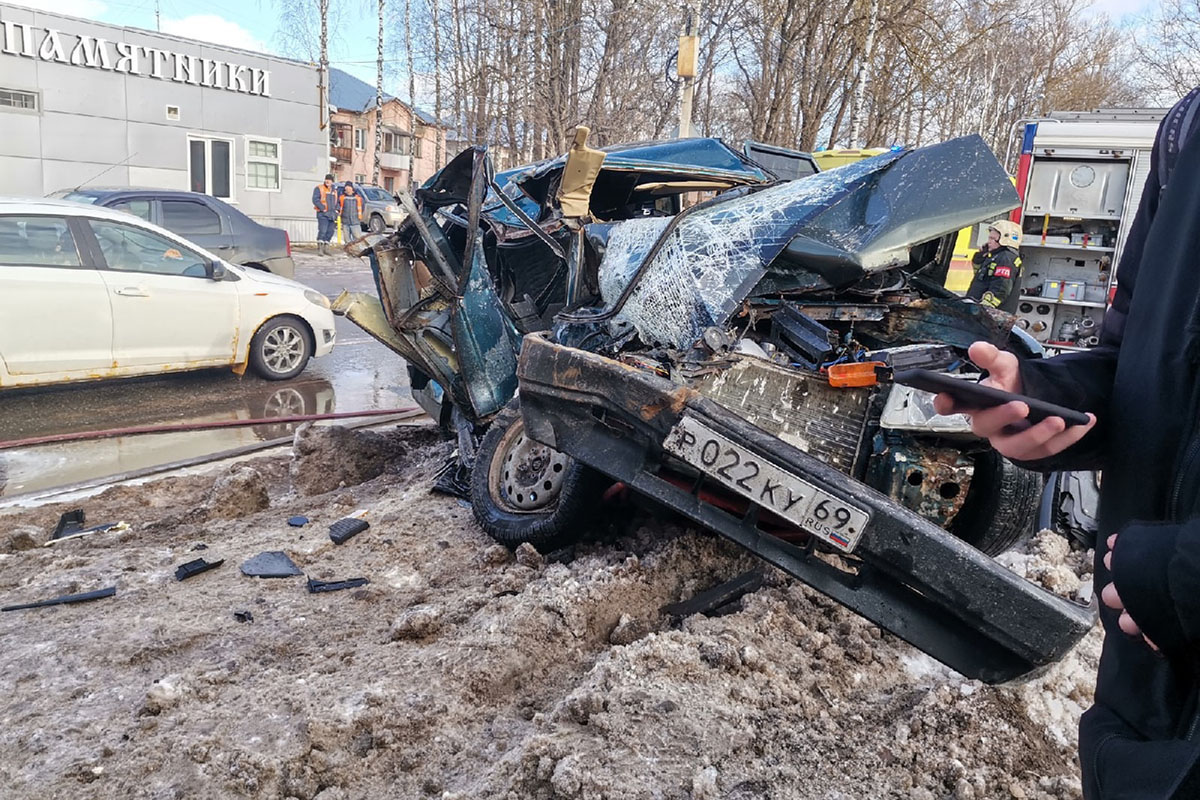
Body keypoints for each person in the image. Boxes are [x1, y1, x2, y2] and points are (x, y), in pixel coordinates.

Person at [935, 87, 1200, 799]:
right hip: (1139, 711)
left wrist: (1183, 575)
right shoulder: (1187, 132)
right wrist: (1043, 401)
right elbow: (1140, 370)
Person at [966, 220, 1023, 312]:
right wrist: (980, 257)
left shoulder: (1006, 259)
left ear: (1005, 240)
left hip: (994, 315)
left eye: (992, 239)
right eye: (989, 238)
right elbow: (981, 277)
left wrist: (984, 308)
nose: (989, 242)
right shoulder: (995, 256)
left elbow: (1001, 288)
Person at [312, 173, 337, 256]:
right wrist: (322, 208)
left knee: (330, 232)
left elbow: (337, 202)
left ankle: (326, 248)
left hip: (332, 214)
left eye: (329, 180)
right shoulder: (319, 188)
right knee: (322, 231)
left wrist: (337, 210)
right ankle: (320, 249)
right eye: (326, 179)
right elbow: (315, 199)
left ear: (332, 181)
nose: (327, 181)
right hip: (323, 214)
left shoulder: (334, 191)